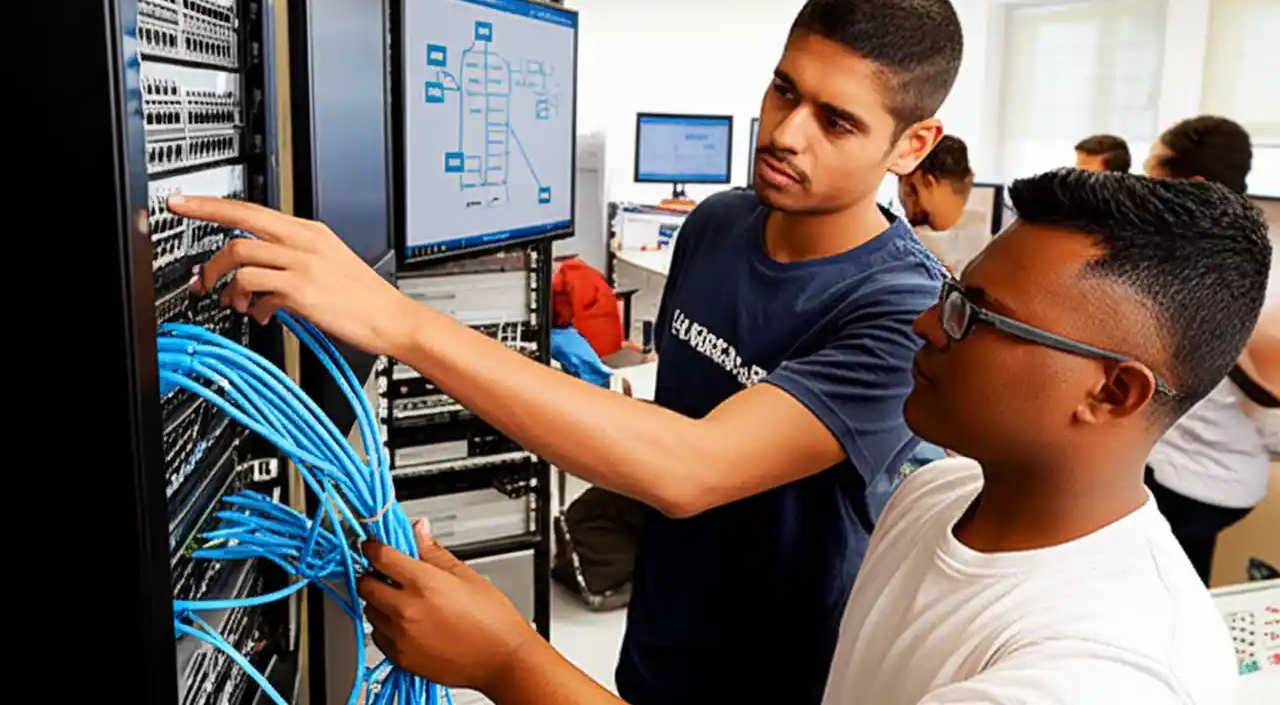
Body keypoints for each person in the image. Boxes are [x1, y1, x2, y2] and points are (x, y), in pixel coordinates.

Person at [175, 0, 964, 701]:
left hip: (781, 671)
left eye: (837, 121)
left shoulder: (901, 310)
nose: (787, 133)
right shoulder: (719, 224)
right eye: (784, 90)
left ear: (912, 144)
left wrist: (398, 320)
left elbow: (694, 468)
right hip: (659, 637)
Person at [332, 170, 1262, 704]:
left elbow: (687, 468)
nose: (926, 326)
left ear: (1113, 391)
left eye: (974, 314)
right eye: (950, 291)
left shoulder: (1095, 673)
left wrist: (504, 661)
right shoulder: (938, 495)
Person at [1142, 114, 1277, 582]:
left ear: (1191, 183)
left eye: (1153, 174)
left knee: (1165, 590)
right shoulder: (1239, 253)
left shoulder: (1208, 270)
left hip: (1196, 480)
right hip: (1219, 474)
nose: (1144, 185)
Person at [898, 133, 988, 273]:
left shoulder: (924, 245)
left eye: (910, 192)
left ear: (928, 182)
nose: (908, 210)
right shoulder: (985, 237)